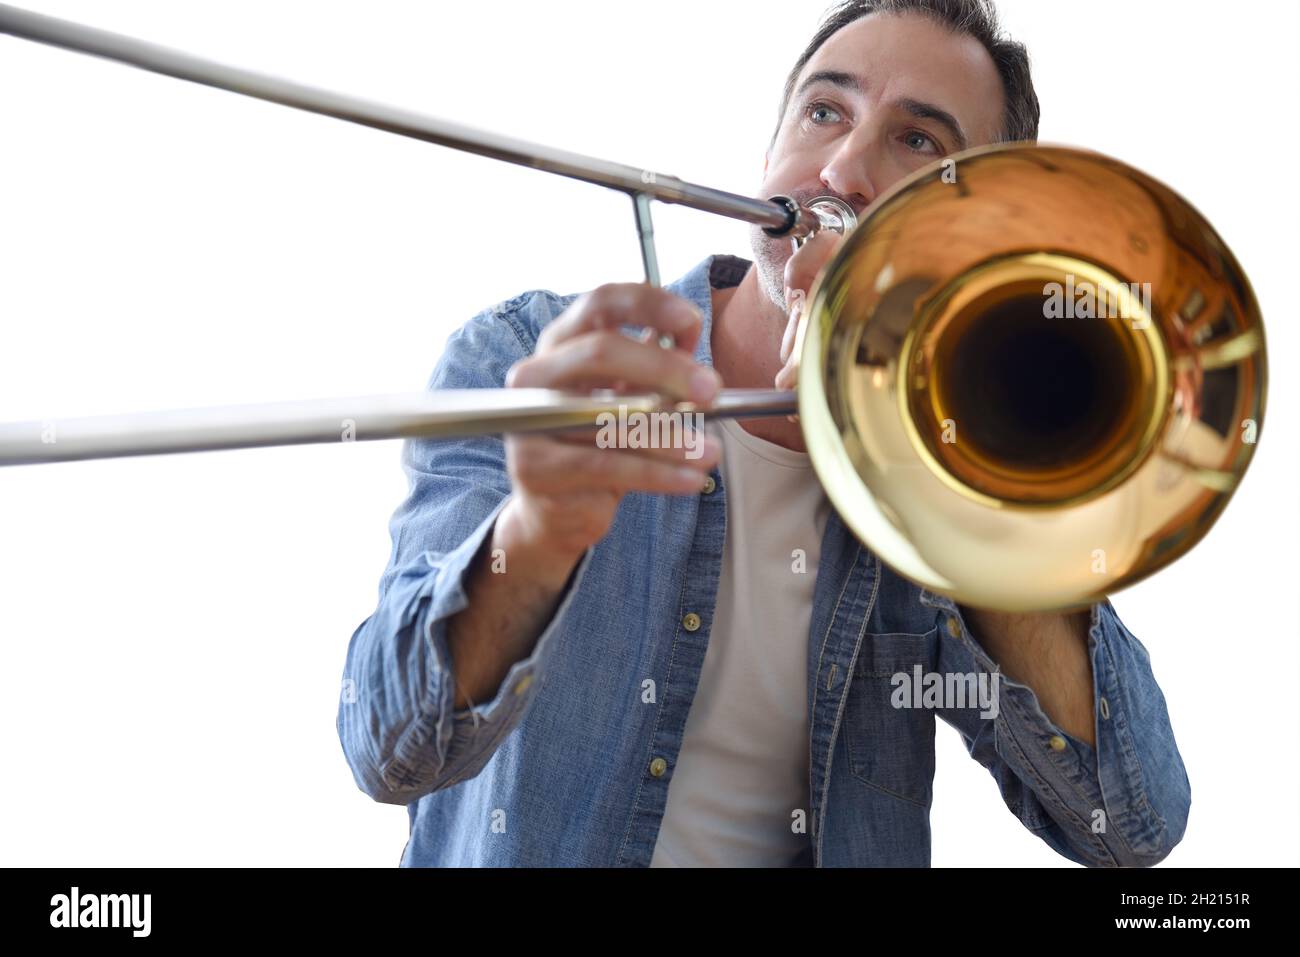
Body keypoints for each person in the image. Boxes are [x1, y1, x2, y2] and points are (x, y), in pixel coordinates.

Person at [336, 0, 1190, 867]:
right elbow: (390, 746)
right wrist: (537, 532)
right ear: (770, 151)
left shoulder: (956, 457)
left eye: (920, 142)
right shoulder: (526, 355)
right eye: (826, 112)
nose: (846, 169)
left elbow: (1131, 823)